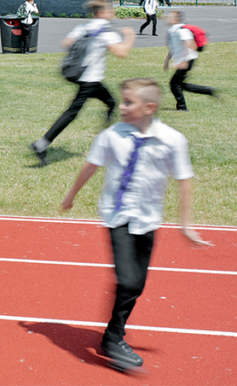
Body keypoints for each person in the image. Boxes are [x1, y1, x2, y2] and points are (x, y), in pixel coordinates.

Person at [61, 78, 211, 371]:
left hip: (147, 219)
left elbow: (184, 180)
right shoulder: (111, 136)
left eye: (129, 102)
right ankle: (113, 340)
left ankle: (112, 335)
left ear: (149, 107)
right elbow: (91, 165)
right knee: (128, 280)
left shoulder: (172, 140)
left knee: (136, 284)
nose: (123, 106)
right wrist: (71, 194)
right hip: (117, 217)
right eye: (124, 100)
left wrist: (186, 225)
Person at [31, 0, 136, 166]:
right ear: (101, 13)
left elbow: (66, 43)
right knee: (74, 112)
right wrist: (130, 36)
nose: (113, 13)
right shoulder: (105, 31)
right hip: (91, 79)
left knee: (110, 103)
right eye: (110, 11)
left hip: (83, 77)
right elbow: (122, 52)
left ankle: (43, 144)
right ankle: (41, 144)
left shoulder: (84, 27)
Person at [164, 11, 215, 111]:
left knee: (175, 84)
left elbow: (191, 45)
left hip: (188, 60)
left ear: (177, 19)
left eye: (170, 17)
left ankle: (182, 107)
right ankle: (208, 91)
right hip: (184, 60)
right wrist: (167, 60)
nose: (167, 19)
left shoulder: (181, 30)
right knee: (179, 84)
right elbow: (174, 47)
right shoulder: (173, 30)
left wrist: (185, 62)